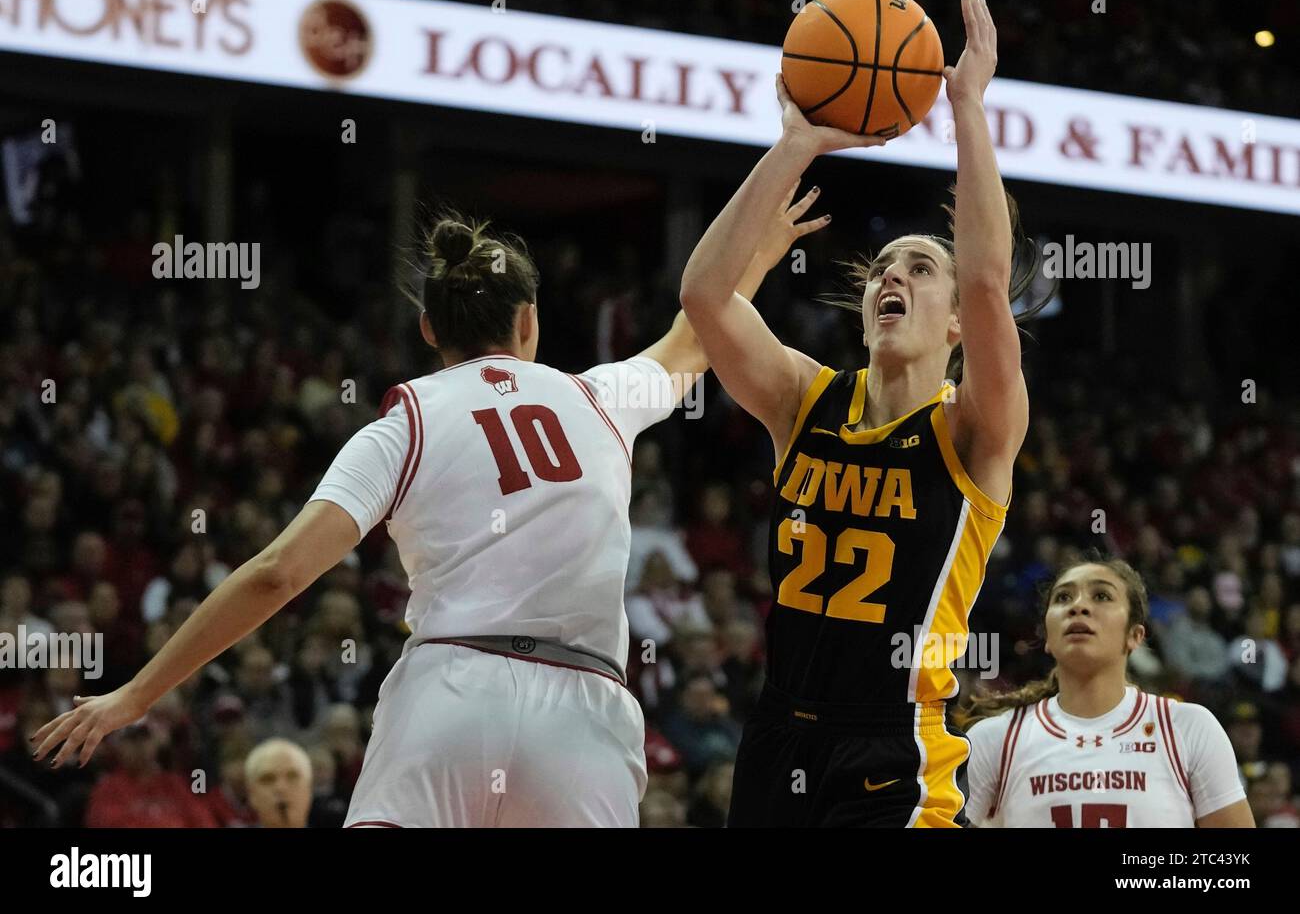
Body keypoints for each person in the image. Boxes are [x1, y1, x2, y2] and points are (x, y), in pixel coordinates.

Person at [32, 204, 788, 827]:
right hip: (584, 709)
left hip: (451, 693)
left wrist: (135, 694)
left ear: (429, 329)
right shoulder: (600, 398)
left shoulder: (402, 425)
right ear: (529, 321)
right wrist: (780, 186)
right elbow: (700, 334)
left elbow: (274, 575)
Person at [681, 0, 1040, 826]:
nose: (891, 278)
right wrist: (797, 143)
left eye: (918, 268)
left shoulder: (974, 430)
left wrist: (968, 112)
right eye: (882, 269)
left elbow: (989, 281)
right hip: (776, 737)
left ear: (954, 322)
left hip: (893, 745)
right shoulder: (803, 399)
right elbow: (704, 294)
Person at [963, 558, 1253, 827]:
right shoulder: (995, 739)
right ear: (1048, 638)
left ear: (1134, 635)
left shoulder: (1188, 728)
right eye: (1063, 597)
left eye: (1101, 596)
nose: (1078, 607)